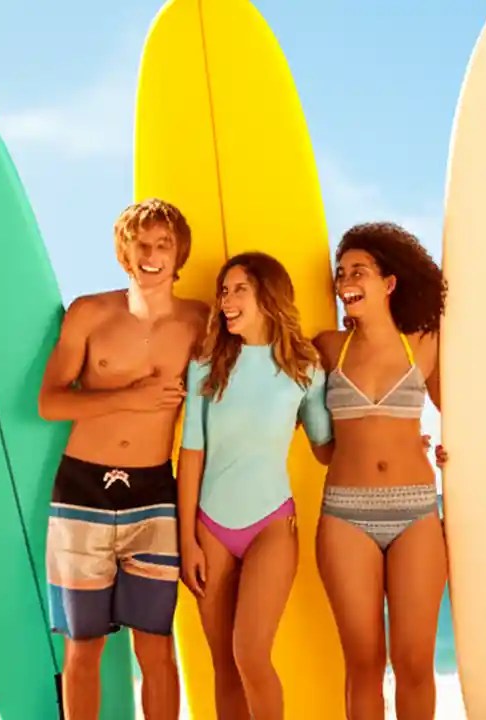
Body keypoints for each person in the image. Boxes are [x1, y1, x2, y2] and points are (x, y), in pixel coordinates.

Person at [0, 198, 209, 720]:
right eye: (141, 244)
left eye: (163, 245)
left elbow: (243, 377)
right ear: (123, 252)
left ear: (179, 254)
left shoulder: (199, 321)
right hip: (81, 490)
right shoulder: (90, 312)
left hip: (155, 493)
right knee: (82, 645)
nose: (151, 255)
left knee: (155, 644)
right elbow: (49, 401)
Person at [175, 251, 335, 720]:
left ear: (268, 295)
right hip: (209, 526)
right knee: (223, 664)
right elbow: (191, 455)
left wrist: (392, 438)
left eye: (238, 289)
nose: (226, 300)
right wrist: (187, 541)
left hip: (272, 525)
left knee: (250, 653)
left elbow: (327, 448)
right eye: (223, 290)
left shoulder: (305, 369)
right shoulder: (206, 366)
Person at [310, 221, 446, 720]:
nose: (346, 281)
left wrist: (453, 454)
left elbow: (462, 414)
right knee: (364, 664)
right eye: (341, 272)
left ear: (389, 283)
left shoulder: (426, 344)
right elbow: (317, 438)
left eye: (359, 271)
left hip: (415, 514)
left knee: (414, 663)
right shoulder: (327, 348)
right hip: (346, 515)